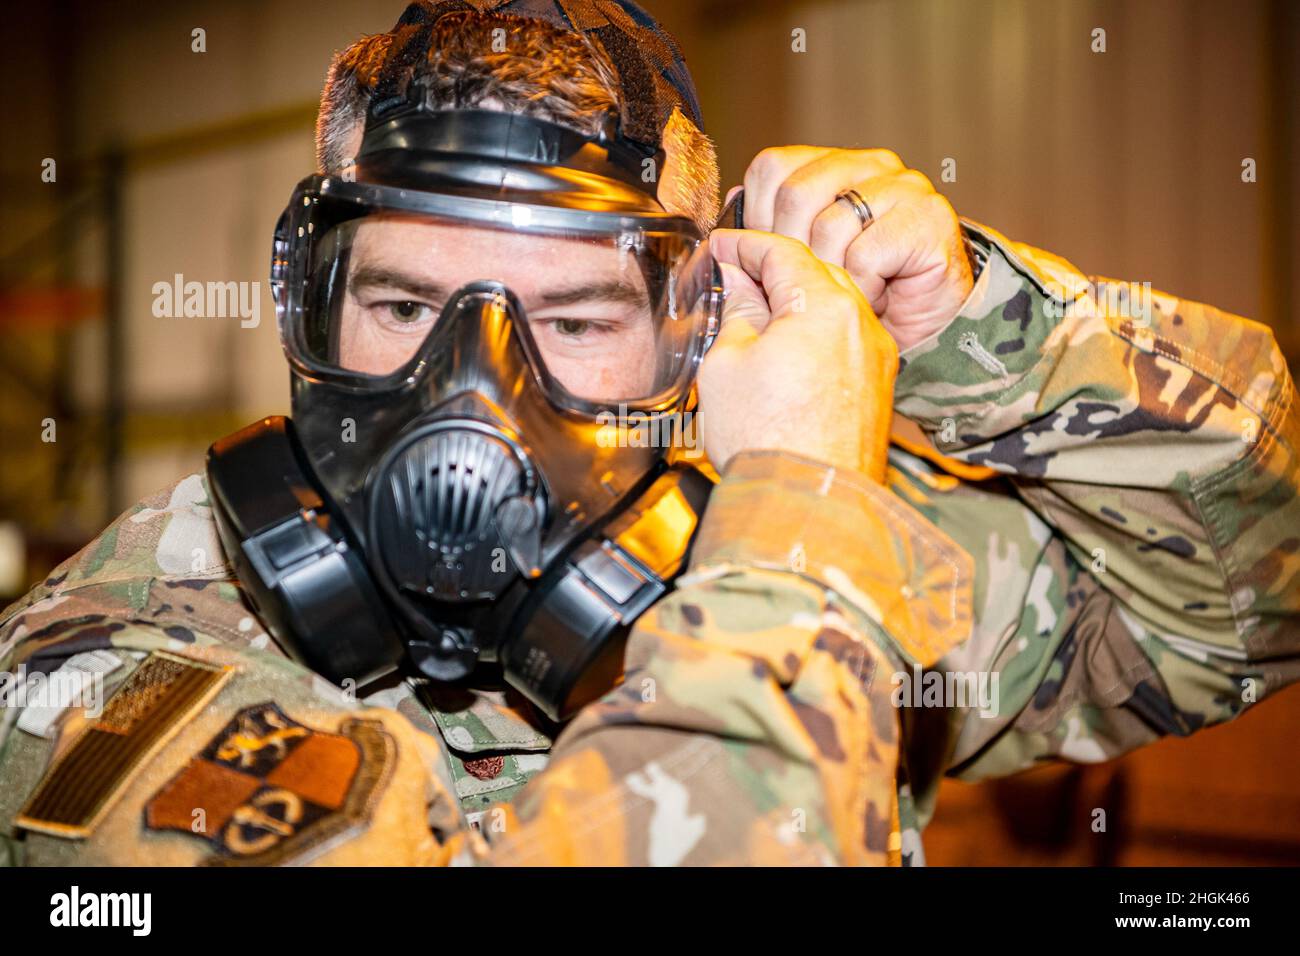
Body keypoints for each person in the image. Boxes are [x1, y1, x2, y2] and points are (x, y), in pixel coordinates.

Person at [0, 0, 1295, 867]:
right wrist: (794, 571)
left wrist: (974, 326)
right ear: (314, 306)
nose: (475, 391)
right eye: (405, 304)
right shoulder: (106, 659)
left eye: (574, 318)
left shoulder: (771, 549)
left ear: (696, 329)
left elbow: (1257, 583)